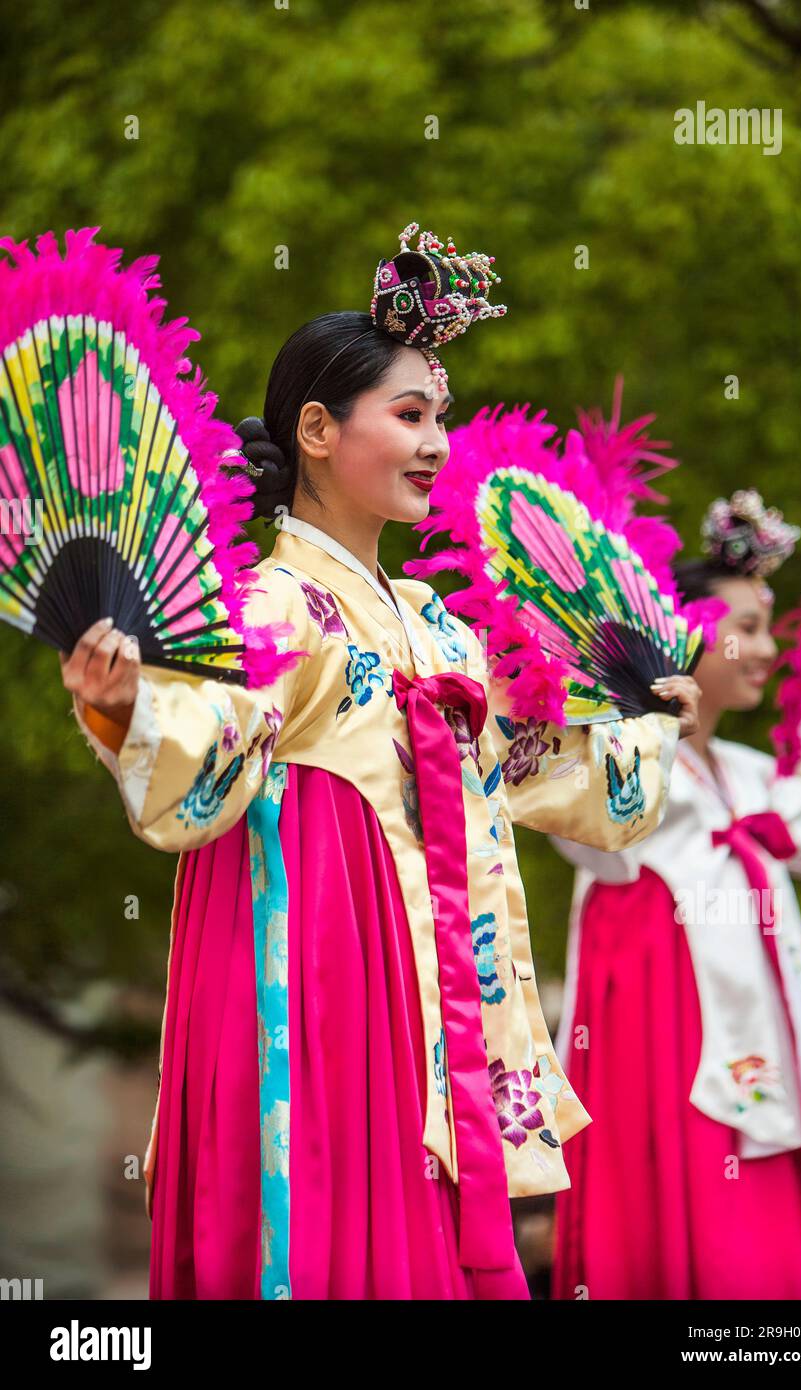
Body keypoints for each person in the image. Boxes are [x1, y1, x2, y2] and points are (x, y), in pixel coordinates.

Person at [59, 222, 698, 1301]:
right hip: (317, 992)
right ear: (316, 428)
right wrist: (129, 707)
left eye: (439, 417)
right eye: (408, 415)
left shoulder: (444, 632)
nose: (436, 442)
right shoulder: (270, 606)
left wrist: (648, 726)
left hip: (435, 1002)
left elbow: (542, 774)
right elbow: (203, 759)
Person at [549, 489, 801, 1301]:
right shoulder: (637, 769)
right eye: (750, 629)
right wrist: (637, 735)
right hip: (674, 1057)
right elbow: (576, 824)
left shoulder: (752, 780)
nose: (766, 651)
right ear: (688, 635)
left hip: (765, 1057)